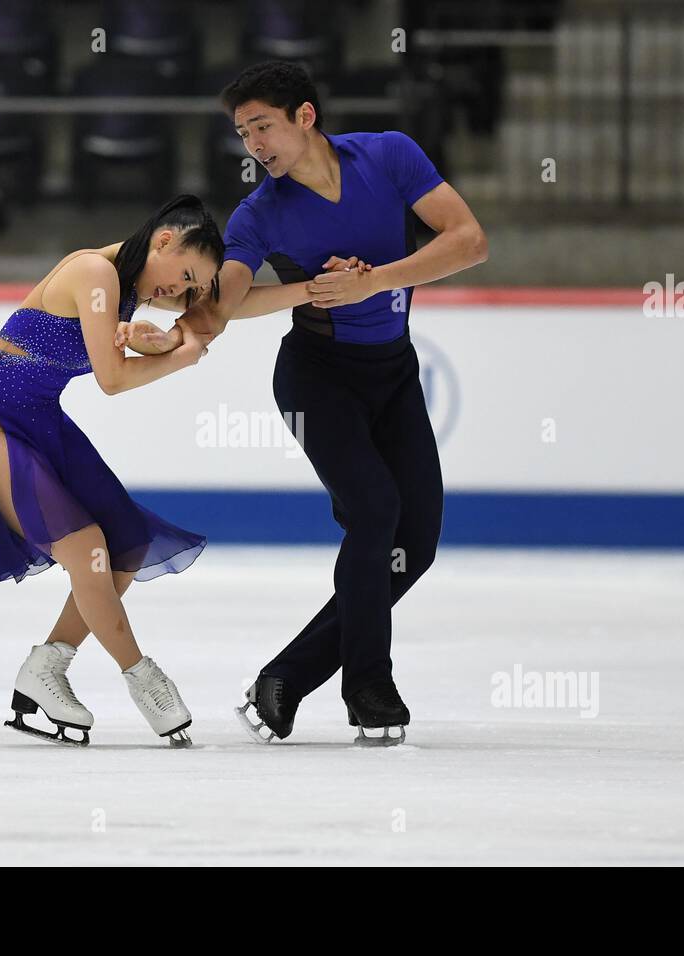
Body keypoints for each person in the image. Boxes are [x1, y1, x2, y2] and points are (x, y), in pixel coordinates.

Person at [0, 193, 364, 747]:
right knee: (89, 546)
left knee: (128, 542)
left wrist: (311, 291)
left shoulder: (133, 291)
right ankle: (142, 677)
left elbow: (221, 310)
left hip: (39, 418)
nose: (179, 293)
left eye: (190, 288)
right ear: (164, 238)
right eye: (184, 275)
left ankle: (45, 668)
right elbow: (112, 380)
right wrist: (176, 356)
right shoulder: (95, 273)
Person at [154, 61, 489, 745]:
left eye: (263, 127)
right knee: (374, 510)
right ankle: (368, 685)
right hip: (317, 379)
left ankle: (285, 676)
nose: (254, 145)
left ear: (305, 116)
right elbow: (225, 305)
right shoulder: (261, 212)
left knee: (414, 544)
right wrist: (167, 328)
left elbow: (468, 242)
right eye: (244, 134)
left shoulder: (389, 156)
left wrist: (377, 283)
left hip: (392, 374)